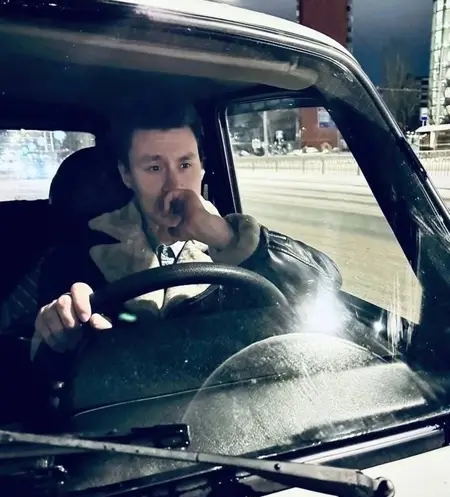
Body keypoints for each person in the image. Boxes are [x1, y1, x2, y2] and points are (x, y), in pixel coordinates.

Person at [32, 95, 342, 357]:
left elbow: (325, 284)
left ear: (202, 168)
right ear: (127, 175)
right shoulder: (80, 251)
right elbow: (45, 363)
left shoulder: (236, 241)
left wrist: (226, 237)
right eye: (154, 167)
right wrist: (61, 327)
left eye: (185, 164)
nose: (174, 185)